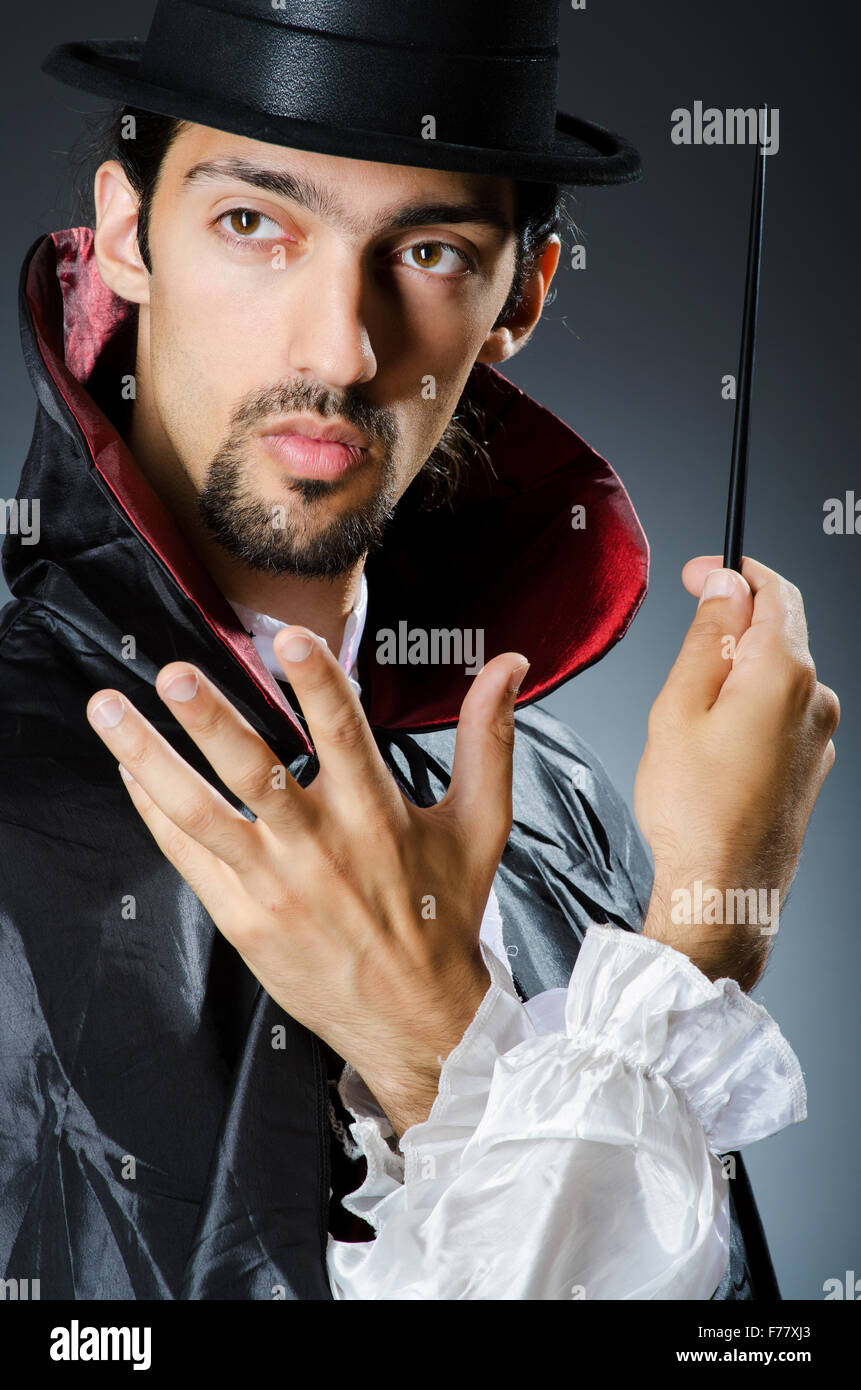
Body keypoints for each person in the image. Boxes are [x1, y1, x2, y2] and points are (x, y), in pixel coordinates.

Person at [0, 0, 837, 1300]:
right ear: (125, 234)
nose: (338, 346)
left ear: (521, 297)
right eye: (251, 223)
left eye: (433, 248)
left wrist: (698, 928)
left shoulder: (555, 802)